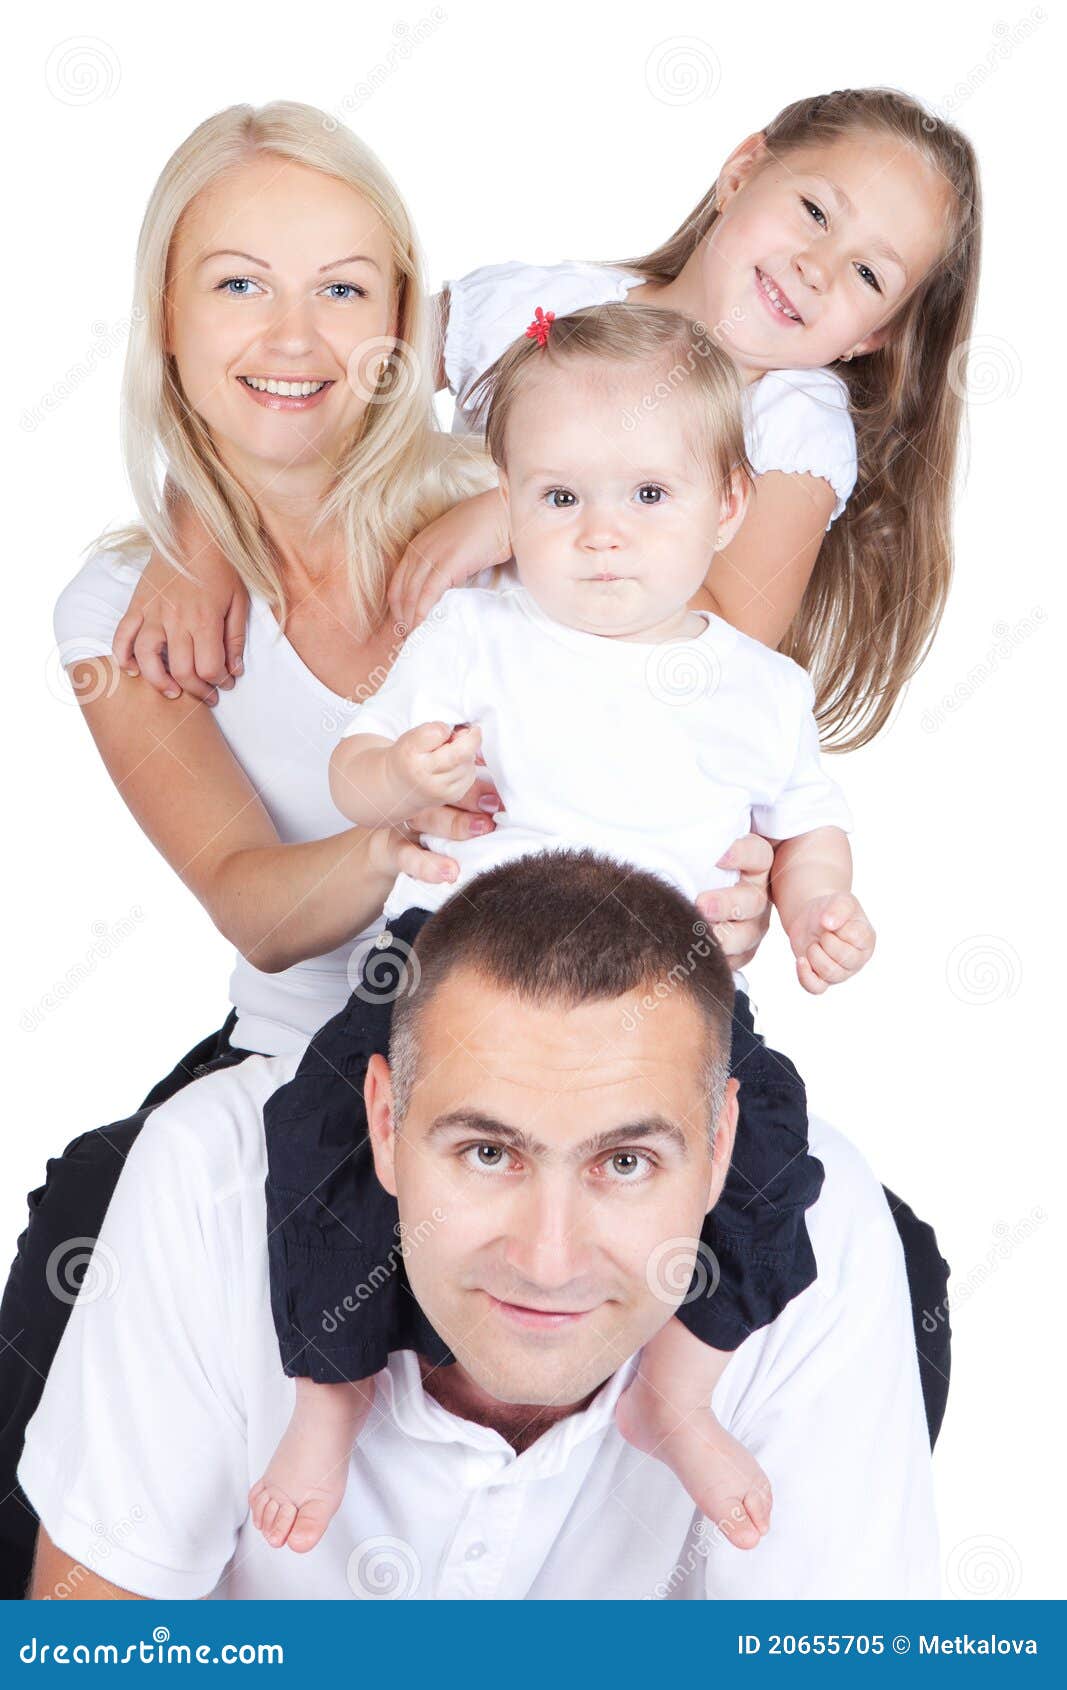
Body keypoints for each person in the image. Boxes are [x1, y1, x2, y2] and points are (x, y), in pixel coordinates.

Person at [0, 100, 772, 1598]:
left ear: (406, 326)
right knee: (71, 1258)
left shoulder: (528, 516)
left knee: (871, 1256)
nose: (293, 331)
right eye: (236, 281)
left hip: (562, 1046)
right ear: (161, 312)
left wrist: (723, 879)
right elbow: (255, 903)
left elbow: (694, 630)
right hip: (298, 1048)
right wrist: (402, 832)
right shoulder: (128, 610)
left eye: (344, 287)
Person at [252, 301, 876, 1555]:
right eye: (556, 500)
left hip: (663, 1004)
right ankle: (326, 1394)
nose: (599, 535)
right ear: (509, 502)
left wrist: (821, 905)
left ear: (726, 506)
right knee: (317, 1132)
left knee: (773, 1165)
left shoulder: (757, 686)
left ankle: (674, 1395)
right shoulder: (477, 636)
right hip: (449, 975)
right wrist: (400, 778)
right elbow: (354, 766)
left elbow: (807, 823)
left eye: (646, 495)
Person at [19, 852, 940, 1602]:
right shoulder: (206, 1181)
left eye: (624, 1163)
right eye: (489, 1155)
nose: (547, 1260)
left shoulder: (828, 1225)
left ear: (720, 1145)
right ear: (383, 1122)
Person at [118, 87, 981, 762]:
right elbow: (300, 389)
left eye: (867, 273)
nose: (816, 267)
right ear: (743, 170)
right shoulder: (536, 306)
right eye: (815, 213)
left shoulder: (790, 424)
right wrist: (193, 537)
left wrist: (515, 513)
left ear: (873, 336)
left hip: (579, 766)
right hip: (408, 716)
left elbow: (726, 634)